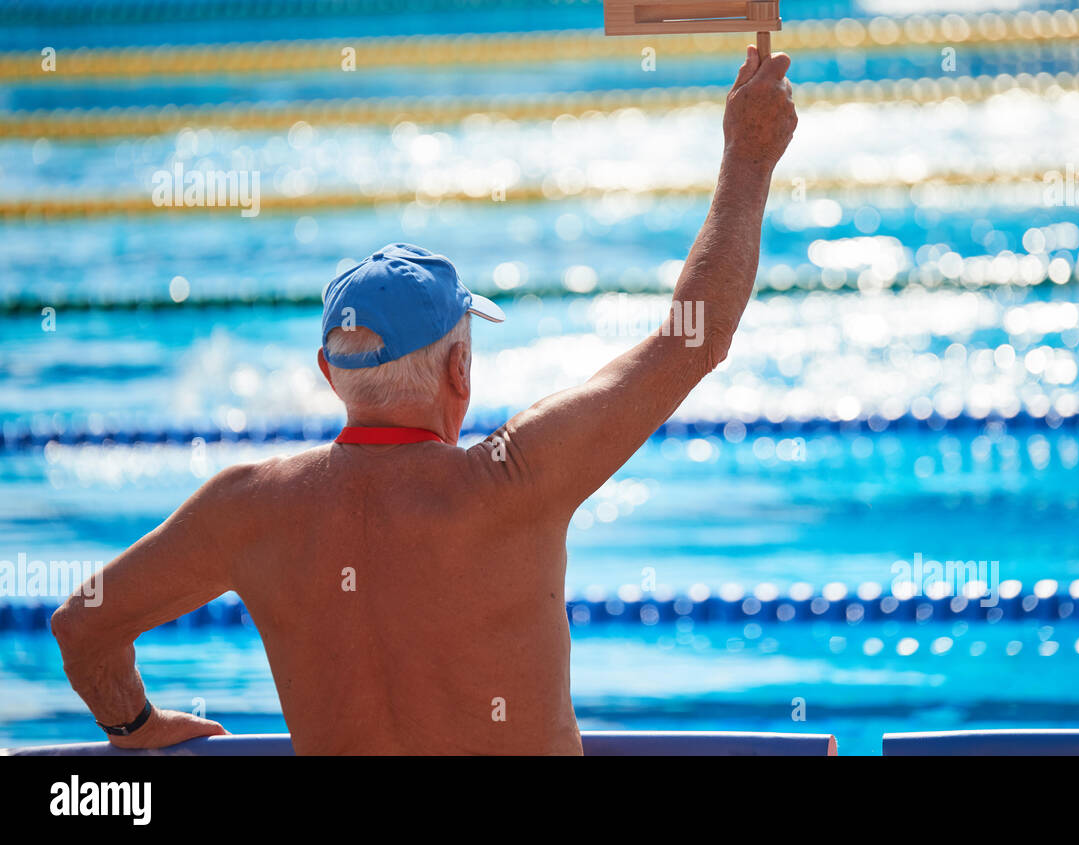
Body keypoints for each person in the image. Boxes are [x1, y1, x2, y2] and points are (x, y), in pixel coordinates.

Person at [51, 46, 797, 754]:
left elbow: (80, 628)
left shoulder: (248, 509)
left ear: (328, 372)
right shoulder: (514, 482)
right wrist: (748, 157)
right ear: (460, 372)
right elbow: (692, 340)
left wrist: (135, 726)